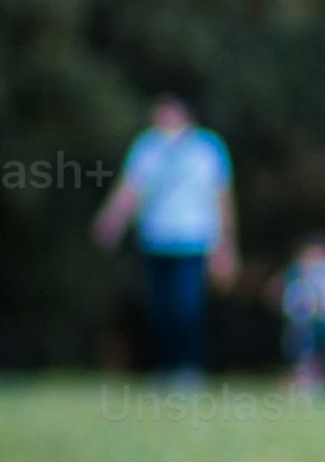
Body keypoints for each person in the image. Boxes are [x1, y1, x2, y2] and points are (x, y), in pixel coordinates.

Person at [90, 95, 239, 386]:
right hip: (157, 239)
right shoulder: (148, 147)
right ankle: (168, 367)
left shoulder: (206, 149)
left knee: (187, 306)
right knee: (162, 308)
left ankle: (189, 367)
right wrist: (111, 221)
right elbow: (130, 189)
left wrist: (226, 244)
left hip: (194, 239)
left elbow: (222, 198)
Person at [278, 236, 325, 398]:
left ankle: (309, 377)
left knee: (306, 337)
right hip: (306, 324)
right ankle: (306, 375)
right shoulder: (299, 272)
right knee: (300, 336)